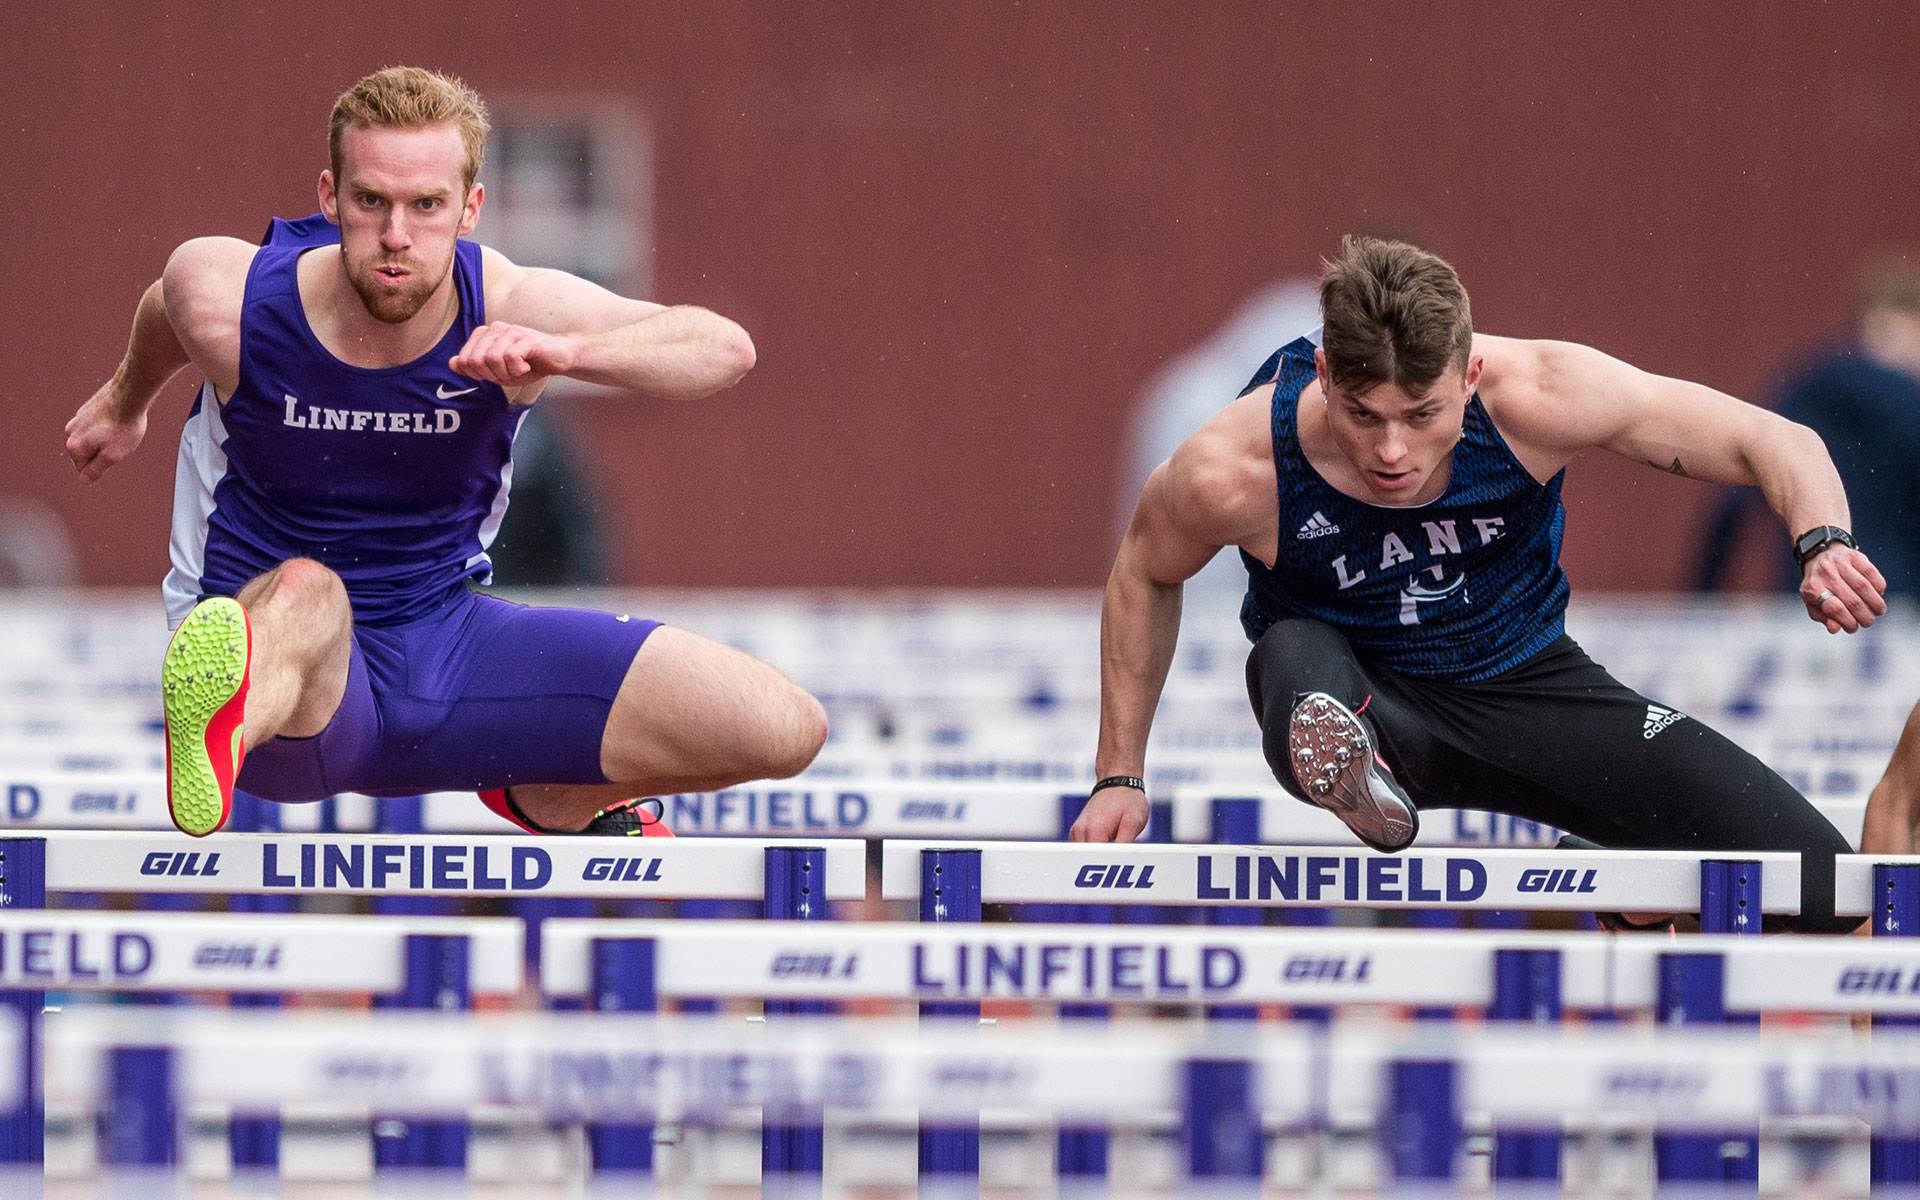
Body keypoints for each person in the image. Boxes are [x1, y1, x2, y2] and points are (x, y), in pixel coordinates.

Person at [63, 67, 828, 838]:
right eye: (372, 203)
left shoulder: (511, 304)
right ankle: (213, 728)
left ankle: (554, 797)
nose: (397, 235)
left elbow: (723, 348)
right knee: (310, 589)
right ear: (330, 198)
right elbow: (169, 307)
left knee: (784, 727)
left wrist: (565, 351)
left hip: (450, 652)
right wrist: (125, 401)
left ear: (470, 209)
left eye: (426, 205)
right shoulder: (234, 299)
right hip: (295, 692)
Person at [1069, 235, 1885, 935]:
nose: (1392, 450)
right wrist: (1120, 776)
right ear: (1322, 372)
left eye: (1421, 415)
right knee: (1290, 650)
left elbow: (1770, 438)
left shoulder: (1537, 396)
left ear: (1469, 376)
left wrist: (1823, 541)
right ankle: (1356, 773)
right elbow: (1144, 570)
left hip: (1533, 690)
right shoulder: (1237, 465)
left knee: (1831, 885)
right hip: (1368, 707)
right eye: (1363, 416)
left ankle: (1620, 862)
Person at [1696, 255, 1920, 595]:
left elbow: (1734, 499)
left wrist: (1705, 594)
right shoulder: (1910, 401)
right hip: (1897, 606)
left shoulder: (1809, 383)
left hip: (1814, 598)